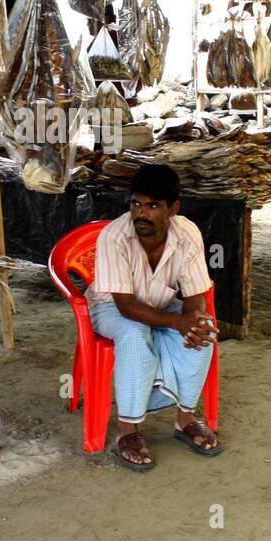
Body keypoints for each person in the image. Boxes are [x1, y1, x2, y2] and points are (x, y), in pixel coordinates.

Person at [85, 163, 222, 470]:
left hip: (161, 303)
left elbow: (195, 295)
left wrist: (193, 322)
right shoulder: (114, 236)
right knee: (135, 334)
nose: (141, 214)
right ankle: (128, 430)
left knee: (205, 330)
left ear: (173, 208)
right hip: (109, 308)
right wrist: (176, 322)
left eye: (152, 206)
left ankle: (185, 418)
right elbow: (125, 306)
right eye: (136, 204)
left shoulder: (187, 233)